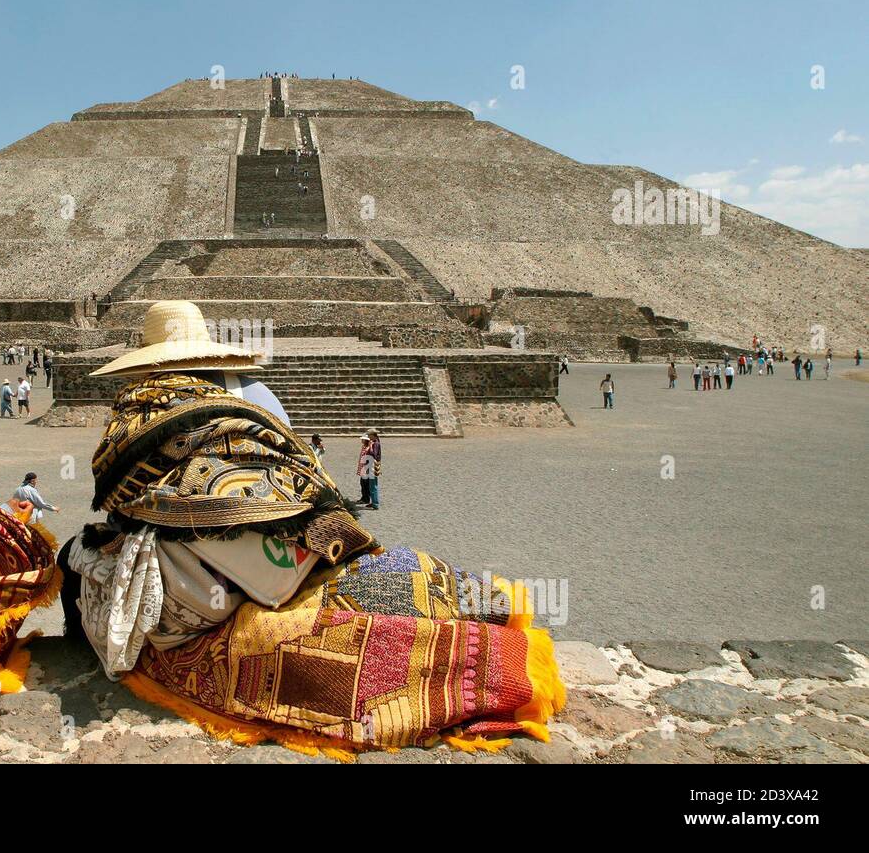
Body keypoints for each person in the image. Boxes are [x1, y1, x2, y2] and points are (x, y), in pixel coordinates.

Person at [61, 300, 565, 754]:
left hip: (210, 585)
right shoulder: (254, 391)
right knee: (397, 582)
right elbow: (301, 473)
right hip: (305, 548)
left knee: (79, 556)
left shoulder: (136, 408)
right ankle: (492, 626)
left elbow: (123, 509)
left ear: (149, 356)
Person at [357, 436, 378, 509]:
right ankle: (364, 498)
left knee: (366, 484)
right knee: (363, 483)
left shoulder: (368, 448)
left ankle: (366, 499)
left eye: (363, 439)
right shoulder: (364, 446)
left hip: (367, 468)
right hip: (363, 468)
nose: (362, 440)